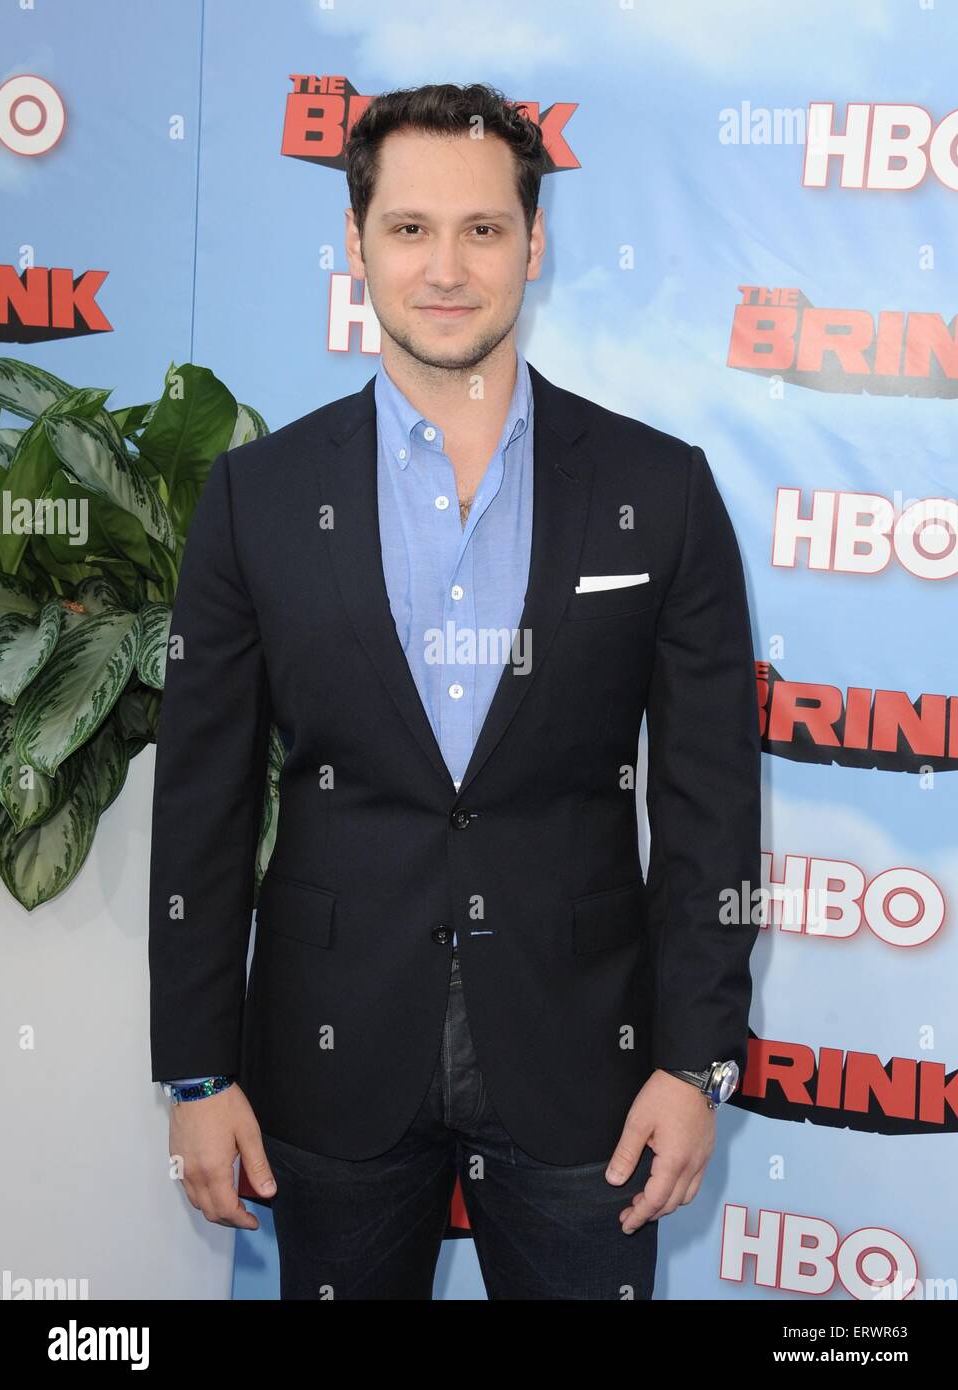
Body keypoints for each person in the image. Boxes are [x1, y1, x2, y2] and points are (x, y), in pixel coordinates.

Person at [149, 81, 762, 1301]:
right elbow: (203, 811)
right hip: (329, 1055)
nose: (445, 267)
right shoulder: (256, 498)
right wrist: (197, 1076)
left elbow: (709, 809)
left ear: (535, 244)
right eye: (410, 229)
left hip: (589, 1059)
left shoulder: (661, 487)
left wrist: (696, 1068)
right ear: (356, 245)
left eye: (482, 229)